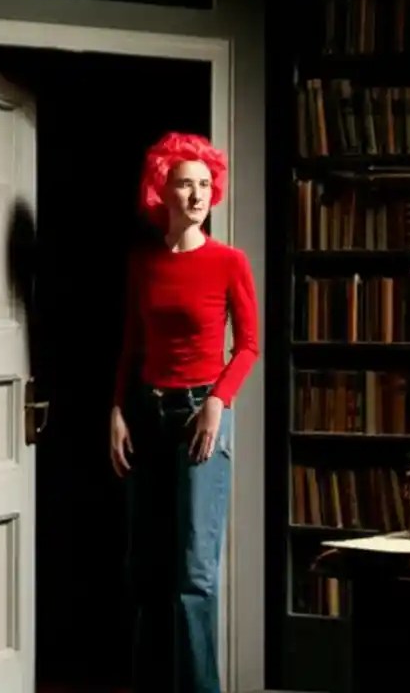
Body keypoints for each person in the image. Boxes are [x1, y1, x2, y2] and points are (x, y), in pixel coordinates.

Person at [109, 131, 259, 693]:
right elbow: (131, 343)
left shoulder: (229, 262)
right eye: (185, 184)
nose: (198, 195)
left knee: (194, 575)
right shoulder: (143, 262)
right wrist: (117, 411)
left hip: (202, 413)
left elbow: (248, 346)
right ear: (161, 189)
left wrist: (218, 402)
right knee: (145, 568)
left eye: (205, 185)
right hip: (146, 413)